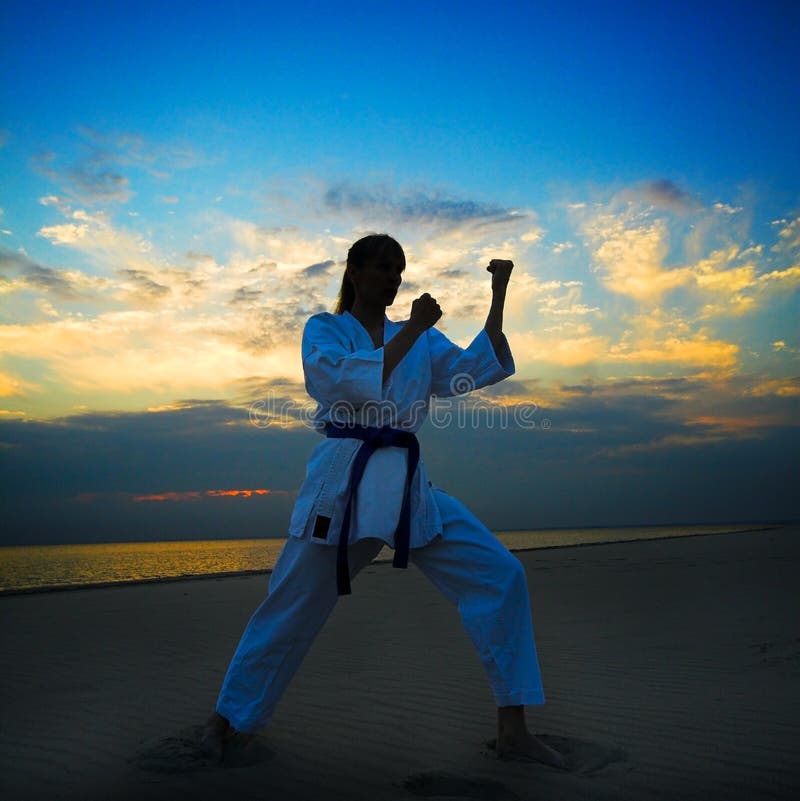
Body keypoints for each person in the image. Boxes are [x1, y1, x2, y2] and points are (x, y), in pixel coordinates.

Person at [201, 233, 565, 769]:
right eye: (382, 268)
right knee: (290, 605)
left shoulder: (415, 338)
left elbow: (467, 372)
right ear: (353, 272)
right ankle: (226, 722)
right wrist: (417, 327)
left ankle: (513, 731)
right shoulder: (325, 330)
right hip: (344, 483)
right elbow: (342, 384)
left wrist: (499, 293)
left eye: (400, 268)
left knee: (500, 576)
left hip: (407, 486)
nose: (393, 278)